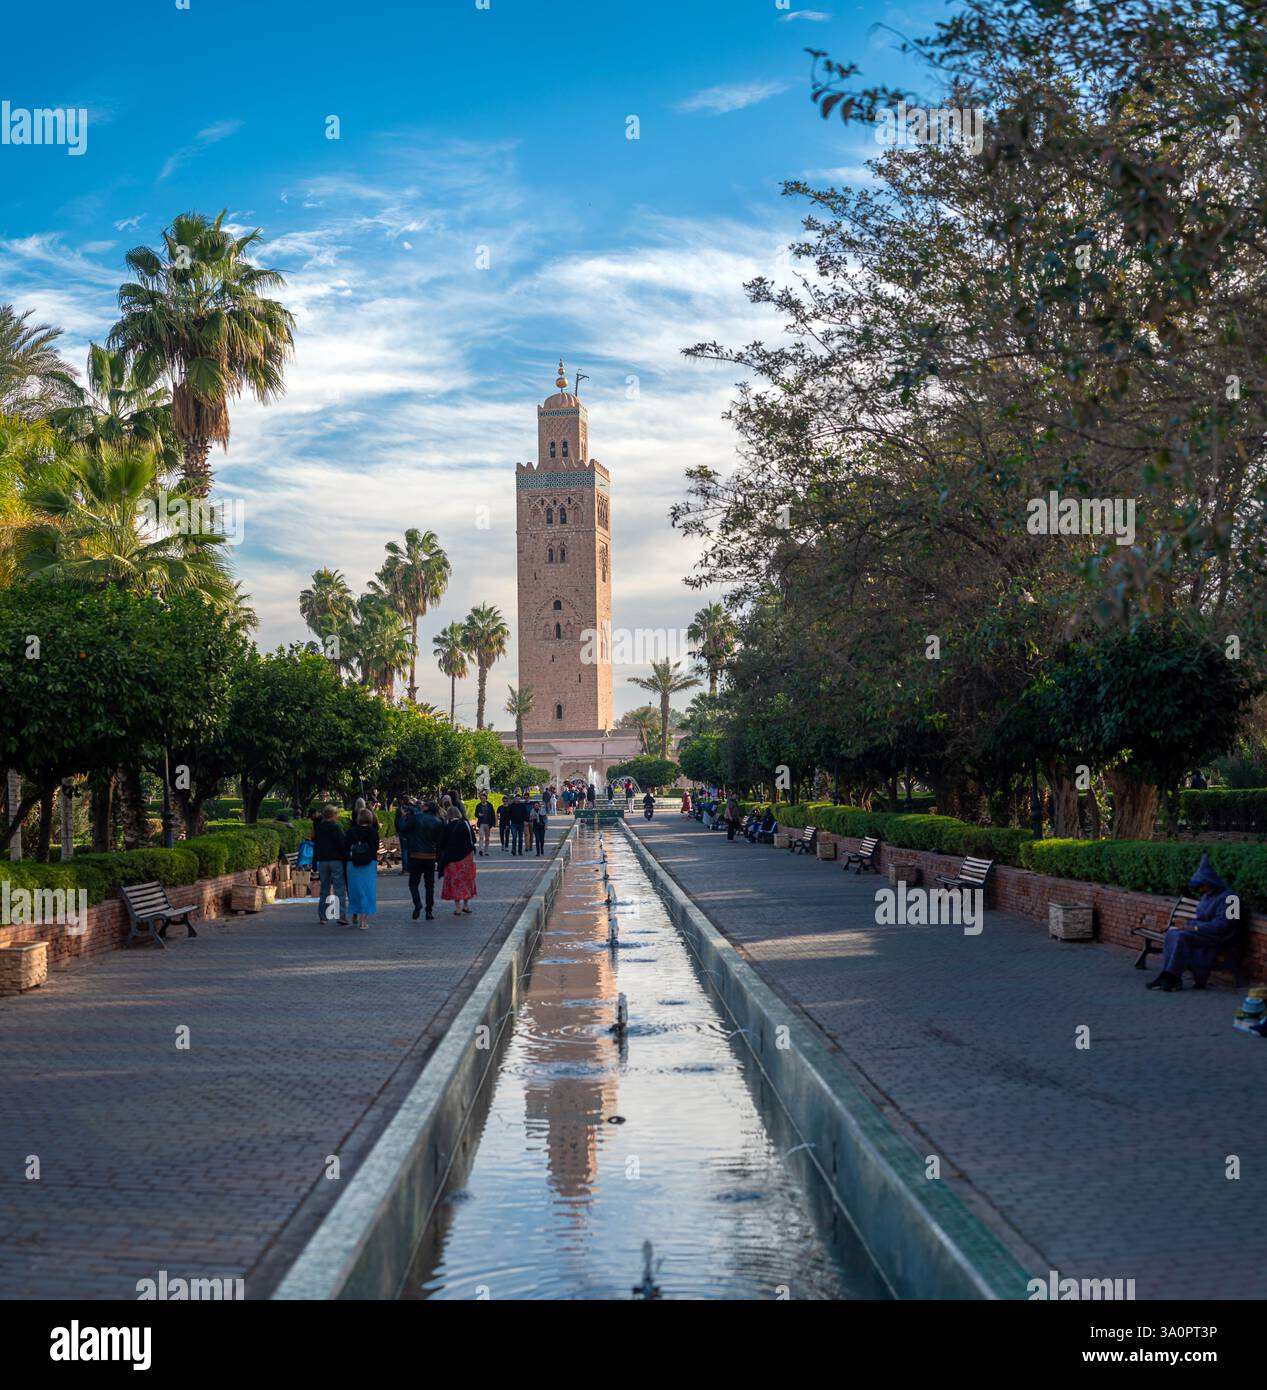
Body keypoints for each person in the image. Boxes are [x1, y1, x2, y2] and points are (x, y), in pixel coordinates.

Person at [1147, 853, 1242, 991]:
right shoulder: (1206, 896)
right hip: (1203, 933)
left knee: (1181, 937)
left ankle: (1171, 977)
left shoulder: (1231, 898)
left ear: (1210, 882)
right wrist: (1188, 925)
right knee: (1172, 933)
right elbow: (1199, 918)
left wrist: (1195, 928)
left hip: (1218, 937)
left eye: (1201, 886)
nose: (1200, 890)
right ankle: (1168, 975)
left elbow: (1224, 925)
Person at [400, 798, 444, 921]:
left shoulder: (417, 817)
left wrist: (403, 817)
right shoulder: (439, 821)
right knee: (429, 885)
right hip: (430, 856)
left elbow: (403, 829)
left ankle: (417, 903)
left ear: (426, 808)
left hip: (415, 855)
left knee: (413, 883)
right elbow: (440, 841)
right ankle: (429, 911)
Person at [313, 804, 350, 926]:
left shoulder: (319, 828)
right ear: (333, 815)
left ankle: (323, 916)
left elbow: (316, 845)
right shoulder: (336, 828)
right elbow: (342, 844)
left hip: (323, 861)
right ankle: (341, 916)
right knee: (339, 888)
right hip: (336, 860)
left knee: (324, 889)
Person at [345, 807, 380, 930]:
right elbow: (375, 847)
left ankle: (354, 913)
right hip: (369, 864)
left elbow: (346, 846)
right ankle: (363, 921)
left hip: (353, 863)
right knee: (367, 891)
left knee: (354, 890)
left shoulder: (351, 831)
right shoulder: (373, 832)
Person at [439, 804, 477, 915]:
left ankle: (458, 908)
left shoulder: (447, 827)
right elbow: (473, 840)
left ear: (449, 815)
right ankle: (466, 905)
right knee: (467, 881)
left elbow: (442, 844)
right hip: (467, 858)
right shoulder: (465, 824)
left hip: (452, 860)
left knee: (456, 882)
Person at [474, 791, 497, 856]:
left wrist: (493, 823)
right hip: (481, 824)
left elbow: (493, 814)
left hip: (488, 824)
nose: (483, 800)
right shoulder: (478, 806)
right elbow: (475, 814)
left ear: (486, 798)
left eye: (484, 798)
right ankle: (481, 850)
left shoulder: (490, 805)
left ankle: (486, 851)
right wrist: (479, 815)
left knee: (487, 838)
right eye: (481, 798)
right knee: (481, 837)